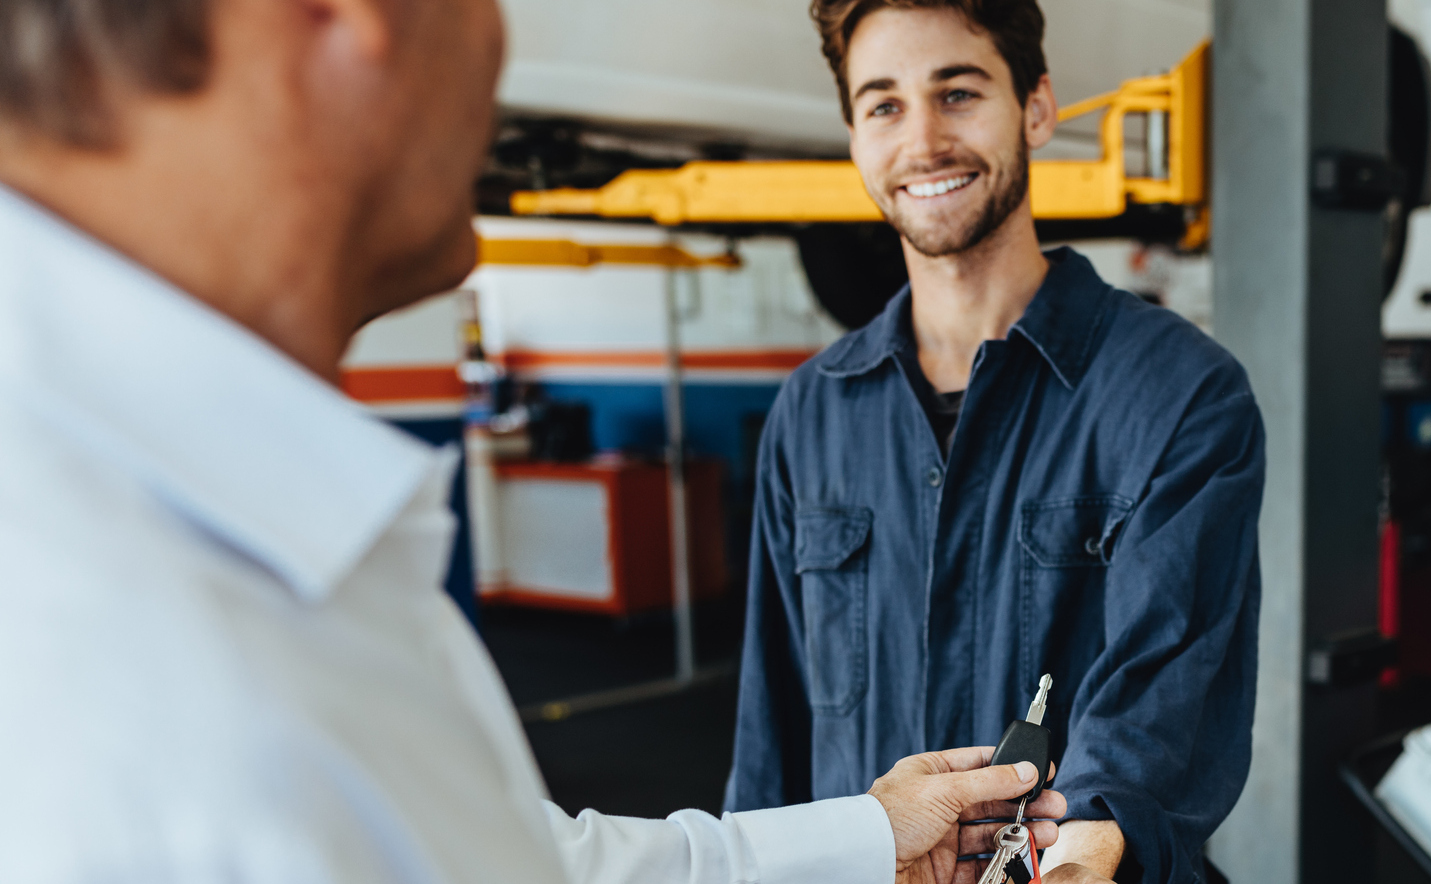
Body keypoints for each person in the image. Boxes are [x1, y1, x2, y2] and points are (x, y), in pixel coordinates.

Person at [0, 1, 1075, 882]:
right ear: (342, 14)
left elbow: (523, 864)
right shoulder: (121, 667)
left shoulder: (178, 545)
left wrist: (867, 836)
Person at [724, 2, 1266, 882]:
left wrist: (1088, 848)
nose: (923, 140)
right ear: (855, 138)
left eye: (958, 93)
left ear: (1036, 108)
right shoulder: (812, 410)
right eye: (884, 105)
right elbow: (772, 726)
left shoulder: (1179, 391)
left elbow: (1166, 690)